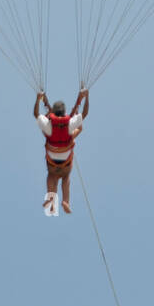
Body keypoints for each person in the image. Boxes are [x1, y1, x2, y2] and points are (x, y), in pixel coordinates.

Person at [33, 86, 89, 216]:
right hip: (65, 163)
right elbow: (84, 115)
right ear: (64, 113)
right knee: (65, 177)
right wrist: (86, 97)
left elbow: (36, 114)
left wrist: (38, 99)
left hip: (52, 163)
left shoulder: (48, 126)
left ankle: (51, 200)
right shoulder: (70, 126)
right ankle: (65, 201)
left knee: (51, 177)